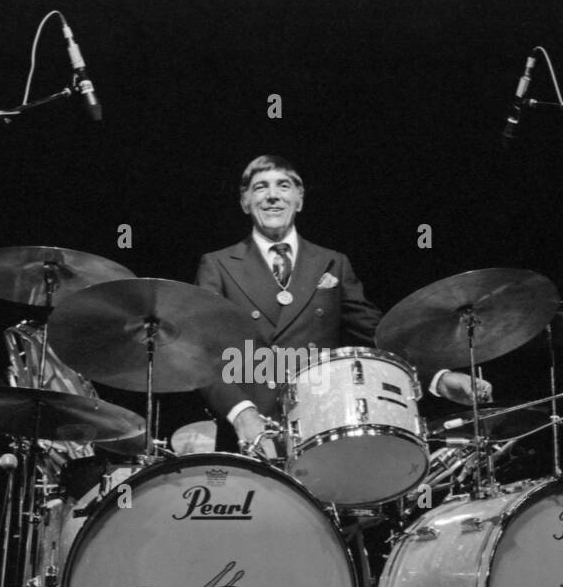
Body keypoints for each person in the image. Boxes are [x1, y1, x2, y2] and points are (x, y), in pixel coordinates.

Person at [194, 154, 488, 452]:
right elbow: (201, 353)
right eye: (260, 188)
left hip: (320, 427)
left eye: (283, 186)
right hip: (248, 434)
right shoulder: (217, 265)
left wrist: (438, 376)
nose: (272, 196)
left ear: (299, 200)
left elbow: (377, 335)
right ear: (244, 202)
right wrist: (242, 414)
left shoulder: (333, 262)